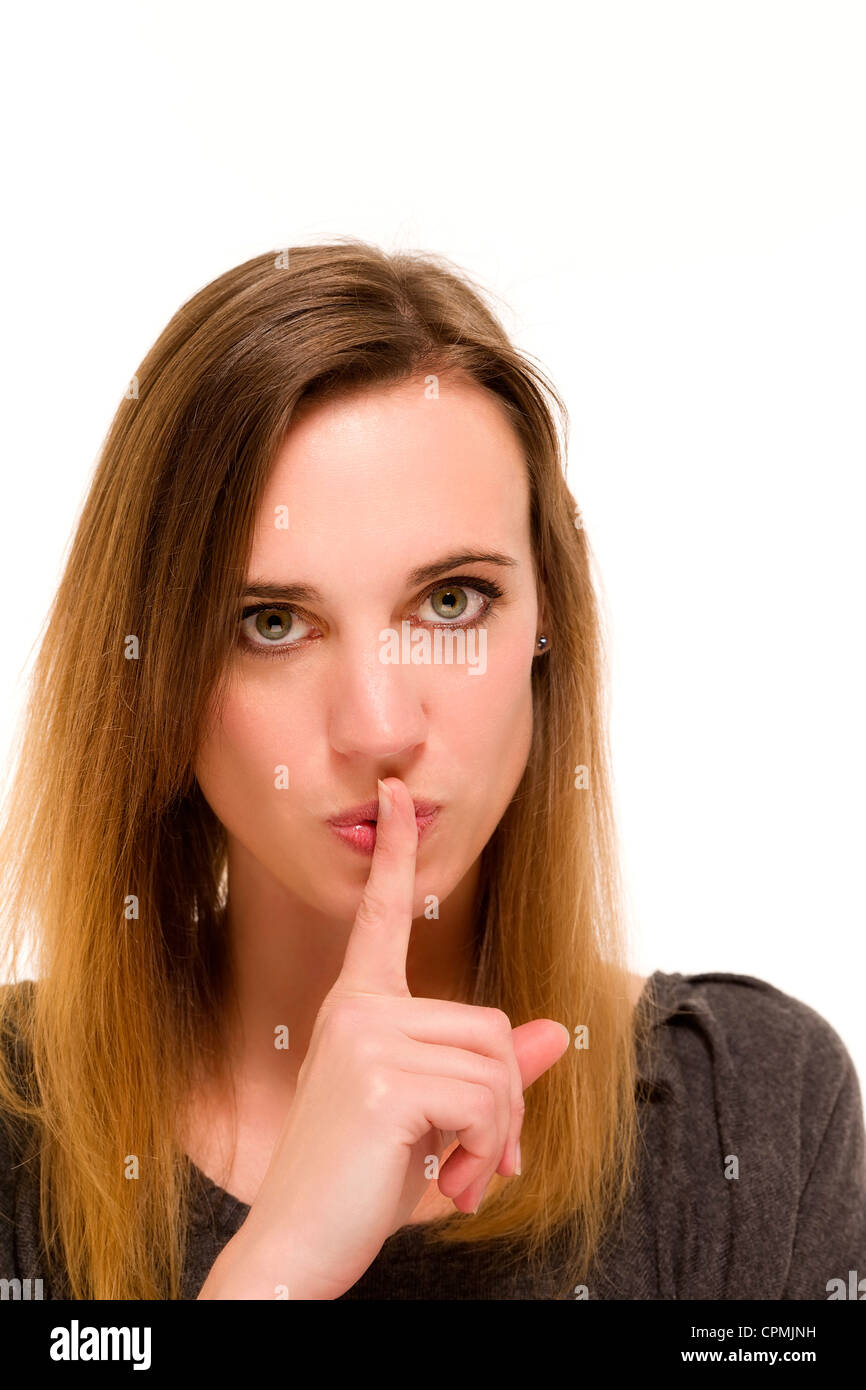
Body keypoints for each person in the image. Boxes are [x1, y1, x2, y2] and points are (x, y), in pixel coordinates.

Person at [0, 240, 863, 1300]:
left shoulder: (747, 1111)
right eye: (271, 622)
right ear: (151, 670)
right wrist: (272, 1272)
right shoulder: (13, 1131)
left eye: (449, 603)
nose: (375, 723)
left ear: (549, 625)